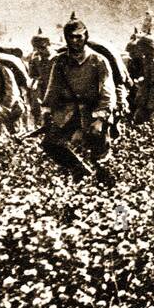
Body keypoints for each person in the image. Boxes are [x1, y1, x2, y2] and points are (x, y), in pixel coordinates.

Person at [40, 17, 117, 183]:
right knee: (50, 144)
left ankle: (107, 188)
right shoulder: (60, 62)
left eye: (79, 36)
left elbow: (107, 91)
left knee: (99, 155)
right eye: (71, 37)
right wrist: (46, 111)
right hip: (70, 112)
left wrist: (100, 119)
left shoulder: (98, 61)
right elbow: (53, 88)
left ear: (85, 36)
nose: (75, 41)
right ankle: (80, 172)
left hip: (94, 112)